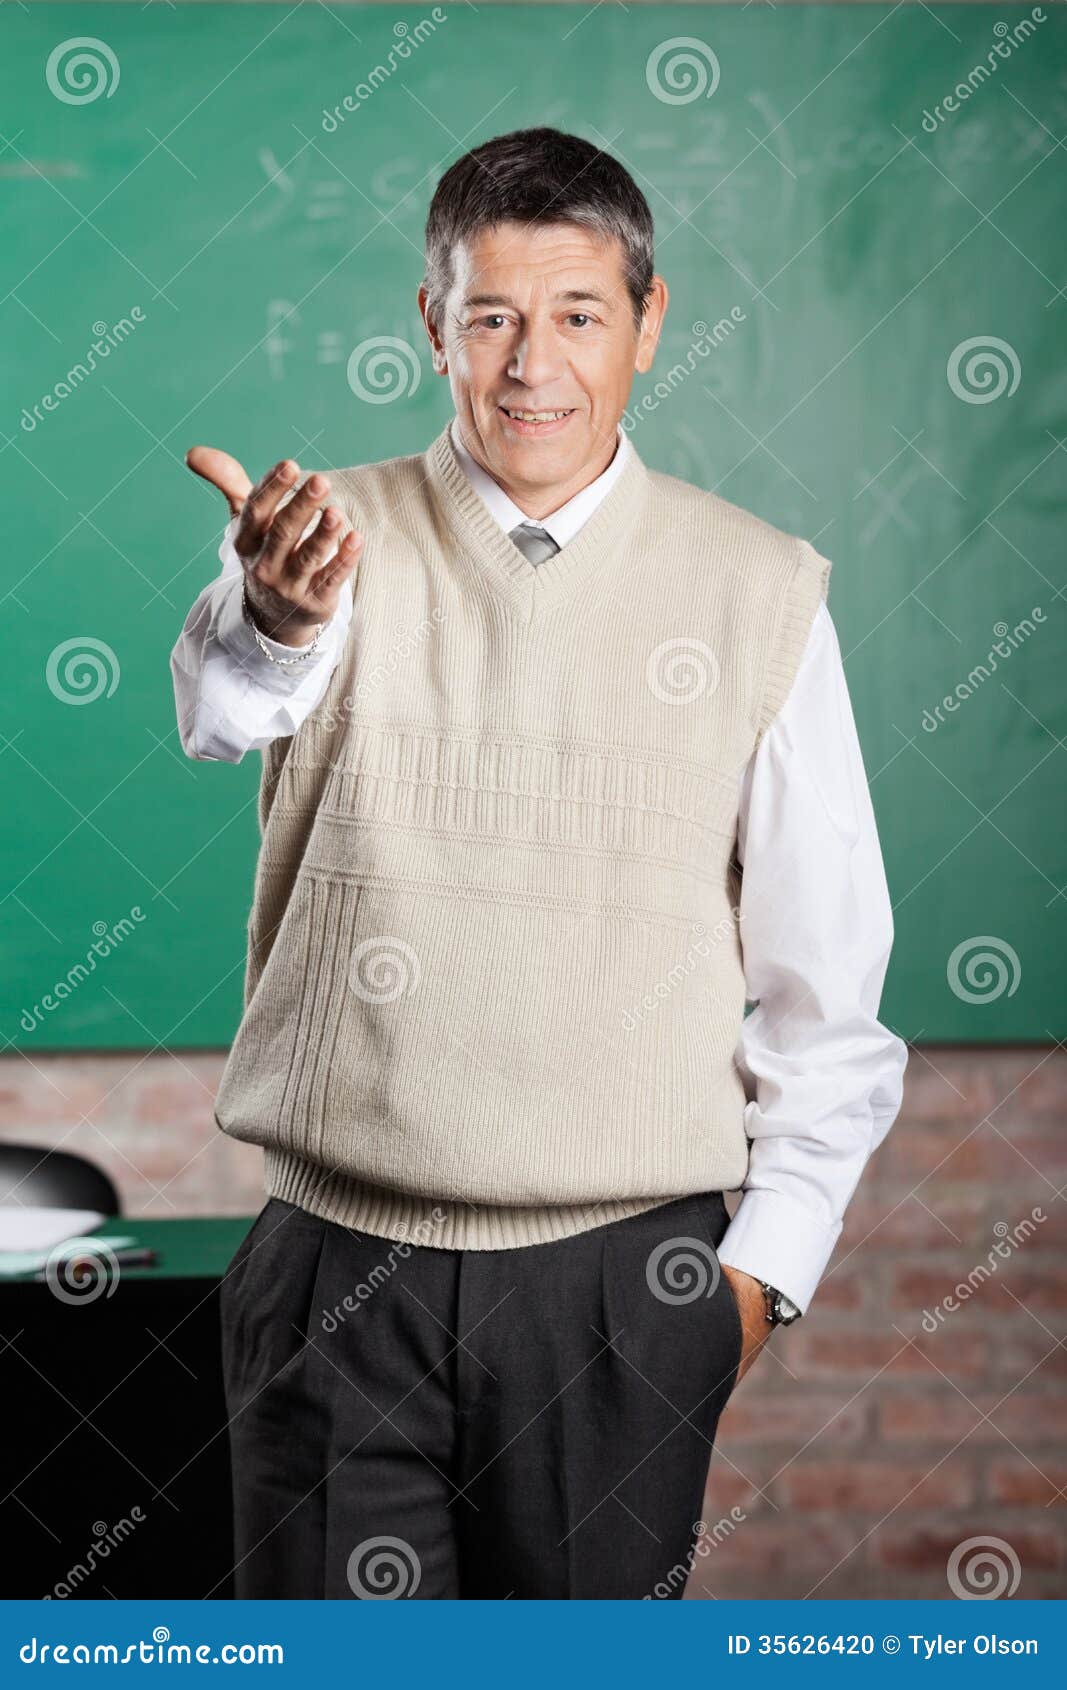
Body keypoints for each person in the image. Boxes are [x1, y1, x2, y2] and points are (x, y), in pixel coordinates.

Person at [171, 126, 907, 1601]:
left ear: (649, 323)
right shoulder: (320, 542)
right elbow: (220, 707)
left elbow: (828, 995)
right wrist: (277, 617)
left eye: (577, 315)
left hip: (622, 1289)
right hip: (337, 1273)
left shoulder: (760, 591)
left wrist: (753, 1285)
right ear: (431, 326)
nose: (532, 365)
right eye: (491, 316)